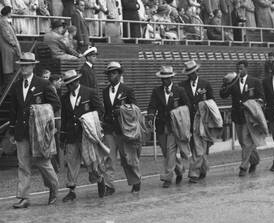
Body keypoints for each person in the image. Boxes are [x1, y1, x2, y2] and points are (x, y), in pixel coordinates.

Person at [2, 53, 62, 210]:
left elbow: (55, 104)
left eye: (26, 65)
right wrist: (12, 131)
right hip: (22, 131)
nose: (23, 67)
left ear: (33, 66)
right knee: (23, 165)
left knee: (43, 162)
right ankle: (23, 197)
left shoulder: (43, 84)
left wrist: (39, 110)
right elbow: (13, 110)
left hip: (39, 132)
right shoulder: (16, 86)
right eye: (21, 65)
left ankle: (54, 187)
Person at [56, 67, 107, 201]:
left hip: (87, 135)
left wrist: (89, 119)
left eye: (72, 83)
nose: (70, 86)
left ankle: (100, 180)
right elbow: (64, 117)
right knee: (72, 162)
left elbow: (100, 110)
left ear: (77, 81)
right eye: (68, 84)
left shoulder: (89, 93)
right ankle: (71, 189)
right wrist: (62, 137)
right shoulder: (65, 98)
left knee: (91, 161)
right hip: (72, 136)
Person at [100, 61, 141, 193]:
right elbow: (105, 110)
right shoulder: (105, 92)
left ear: (119, 74)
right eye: (109, 73)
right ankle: (109, 185)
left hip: (124, 130)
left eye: (114, 73)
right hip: (109, 129)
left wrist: (123, 110)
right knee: (109, 158)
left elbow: (135, 109)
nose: (111, 76)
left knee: (127, 157)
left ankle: (135, 181)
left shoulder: (127, 90)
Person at [146, 65, 188, 188]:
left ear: (171, 78)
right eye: (162, 78)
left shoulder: (179, 91)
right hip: (161, 126)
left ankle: (167, 177)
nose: (164, 81)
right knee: (166, 152)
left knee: (170, 151)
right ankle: (179, 169)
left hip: (174, 126)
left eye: (166, 78)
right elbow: (152, 106)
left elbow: (187, 106)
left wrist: (179, 115)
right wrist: (150, 116)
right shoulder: (156, 91)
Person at [221, 60, 262, 177]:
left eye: (242, 68)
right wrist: (226, 84)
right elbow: (223, 95)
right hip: (238, 116)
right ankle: (255, 160)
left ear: (246, 68)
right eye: (238, 68)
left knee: (246, 141)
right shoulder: (234, 83)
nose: (240, 70)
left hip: (250, 116)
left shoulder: (255, 82)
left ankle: (243, 167)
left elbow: (261, 97)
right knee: (244, 142)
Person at [181, 60, 217, 184]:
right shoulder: (182, 85)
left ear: (197, 71)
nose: (191, 75)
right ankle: (203, 168)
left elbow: (212, 101)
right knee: (195, 147)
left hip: (203, 121)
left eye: (192, 72)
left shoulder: (205, 84)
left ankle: (193, 173)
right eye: (188, 73)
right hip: (189, 121)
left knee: (200, 148)